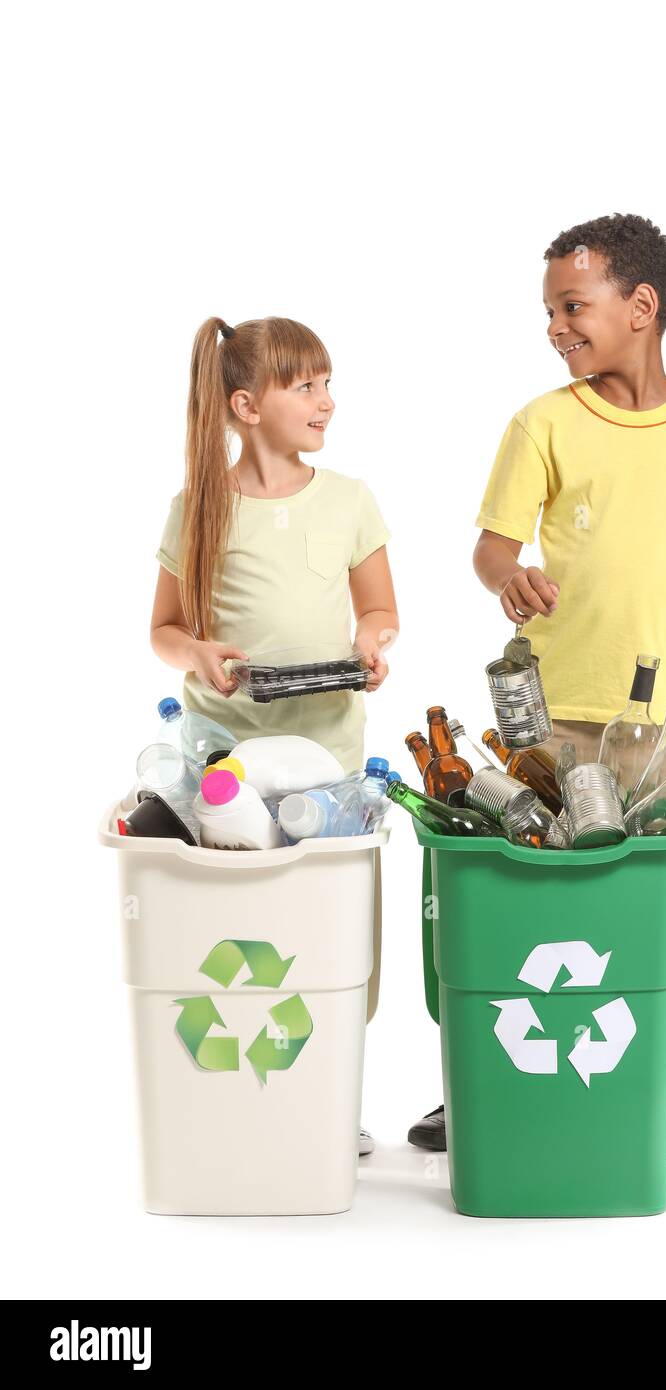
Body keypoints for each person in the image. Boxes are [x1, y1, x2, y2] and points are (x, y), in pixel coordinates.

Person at [409, 214, 666, 1164]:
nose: (555, 327)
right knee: (531, 899)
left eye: (572, 306)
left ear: (640, 306)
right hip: (556, 714)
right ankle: (493, 1070)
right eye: (549, 311)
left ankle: (652, 1080)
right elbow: (492, 546)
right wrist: (508, 578)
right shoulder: (545, 422)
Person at [151, 316, 398, 1155]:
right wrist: (197, 653)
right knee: (240, 933)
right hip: (225, 763)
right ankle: (240, 1105)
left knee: (331, 939)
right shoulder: (198, 507)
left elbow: (379, 608)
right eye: (306, 386)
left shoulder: (350, 499)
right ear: (247, 407)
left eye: (328, 383)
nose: (327, 401)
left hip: (329, 760)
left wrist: (372, 643)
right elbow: (164, 629)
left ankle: (324, 1103)